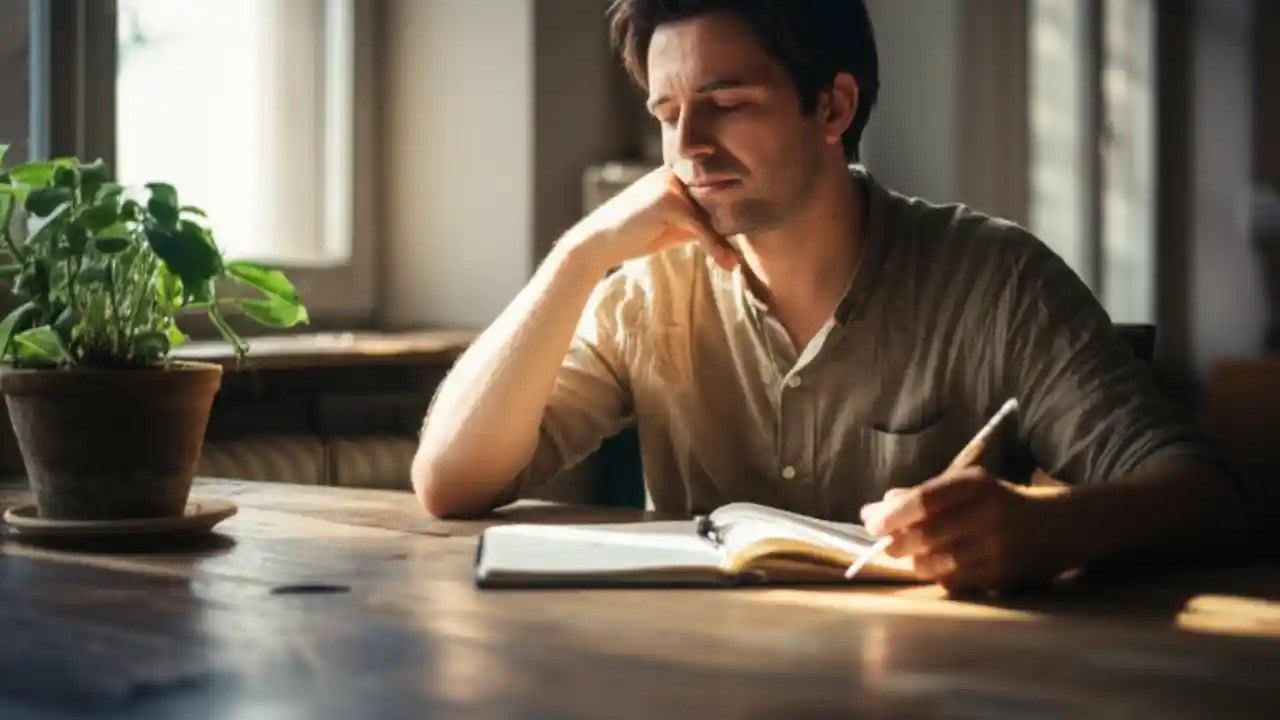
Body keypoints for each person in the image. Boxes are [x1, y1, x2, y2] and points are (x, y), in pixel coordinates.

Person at [413, 0, 1243, 591]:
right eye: (668, 113)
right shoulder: (645, 292)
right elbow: (449, 485)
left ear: (833, 106)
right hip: (694, 679)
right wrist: (579, 253)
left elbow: (1204, 491)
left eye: (726, 104)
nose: (689, 146)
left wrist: (1040, 530)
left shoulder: (997, 281)